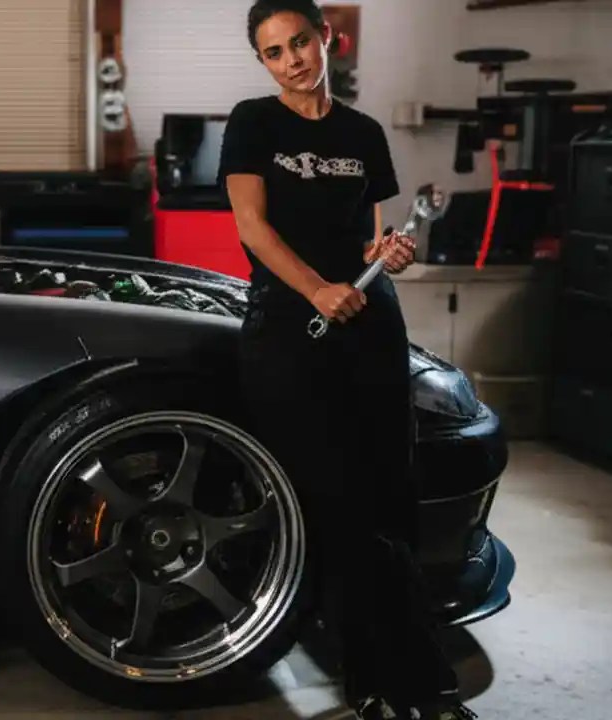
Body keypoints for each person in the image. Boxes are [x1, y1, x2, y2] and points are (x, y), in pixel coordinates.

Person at [217, 2, 476, 719]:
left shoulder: (362, 133)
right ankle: (419, 682)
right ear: (263, 64)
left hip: (368, 323)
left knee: (390, 498)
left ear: (326, 38)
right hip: (291, 328)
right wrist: (316, 290)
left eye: (301, 41)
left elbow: (370, 240)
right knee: (338, 505)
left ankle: (372, 681)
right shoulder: (253, 122)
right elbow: (251, 228)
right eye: (275, 51)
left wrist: (388, 253)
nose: (293, 59)